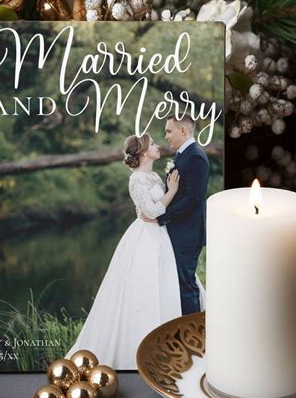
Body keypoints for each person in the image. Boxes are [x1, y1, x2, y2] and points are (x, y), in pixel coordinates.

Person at [67, 133, 182, 370]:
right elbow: (150, 212)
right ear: (142, 152)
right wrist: (172, 191)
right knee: (142, 289)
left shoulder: (153, 176)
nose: (158, 146)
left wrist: (169, 192)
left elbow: (157, 211)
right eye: (153, 144)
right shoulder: (136, 180)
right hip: (145, 237)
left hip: (160, 235)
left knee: (162, 284)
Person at [141, 114, 209, 315]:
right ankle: (180, 333)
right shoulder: (182, 155)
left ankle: (194, 335)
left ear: (183, 130)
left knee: (184, 285)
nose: (166, 136)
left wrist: (161, 216)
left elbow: (193, 199)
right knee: (176, 283)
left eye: (169, 131)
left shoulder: (196, 156)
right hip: (177, 231)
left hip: (187, 234)